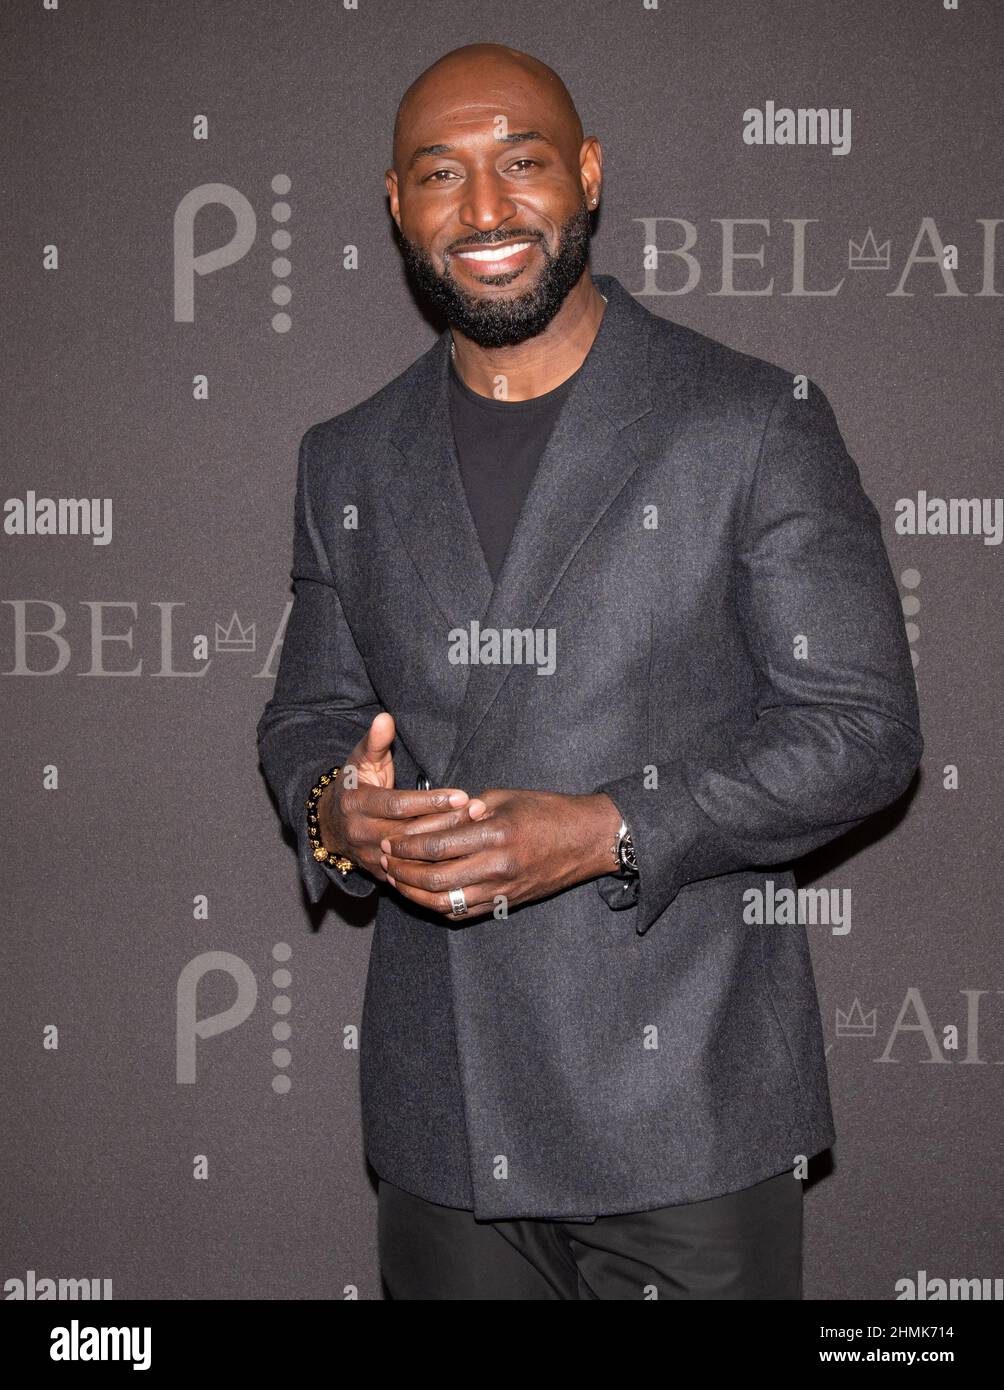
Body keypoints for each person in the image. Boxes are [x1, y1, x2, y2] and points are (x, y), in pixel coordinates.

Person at [256, 42, 922, 1300]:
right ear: (395, 207)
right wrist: (335, 812)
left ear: (589, 177)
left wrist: (609, 827)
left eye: (523, 163)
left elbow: (860, 728)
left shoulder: (745, 419)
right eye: (441, 174)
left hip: (683, 1120)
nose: (488, 209)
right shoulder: (342, 459)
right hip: (439, 1119)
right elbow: (311, 713)